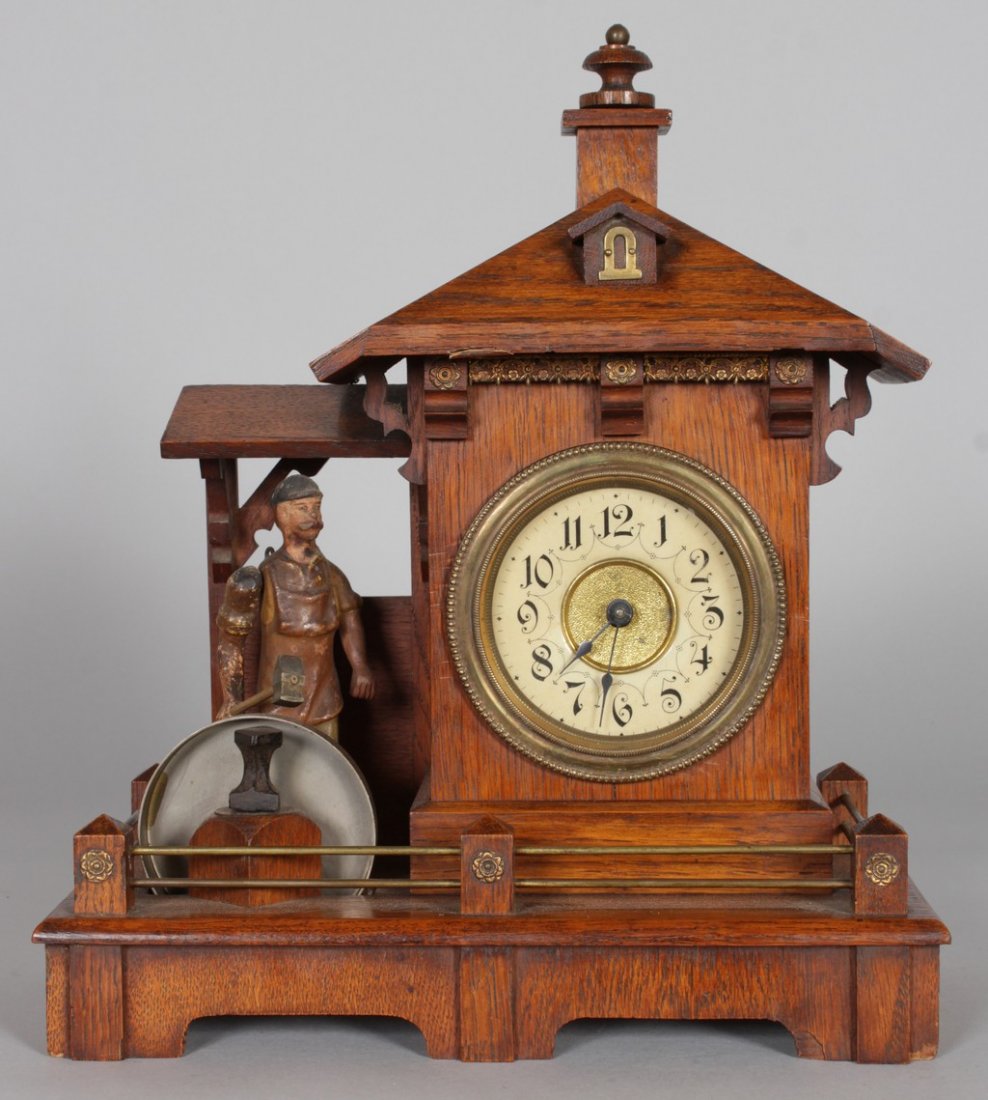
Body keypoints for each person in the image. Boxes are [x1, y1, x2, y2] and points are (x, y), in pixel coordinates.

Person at [215, 474, 375, 740]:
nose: (313, 515)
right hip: (279, 704)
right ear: (282, 514)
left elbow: (350, 619)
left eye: (316, 507)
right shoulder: (263, 577)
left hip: (325, 699)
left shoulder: (332, 575)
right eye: (303, 508)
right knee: (280, 769)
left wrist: (361, 667)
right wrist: (231, 698)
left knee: (327, 767)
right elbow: (230, 640)